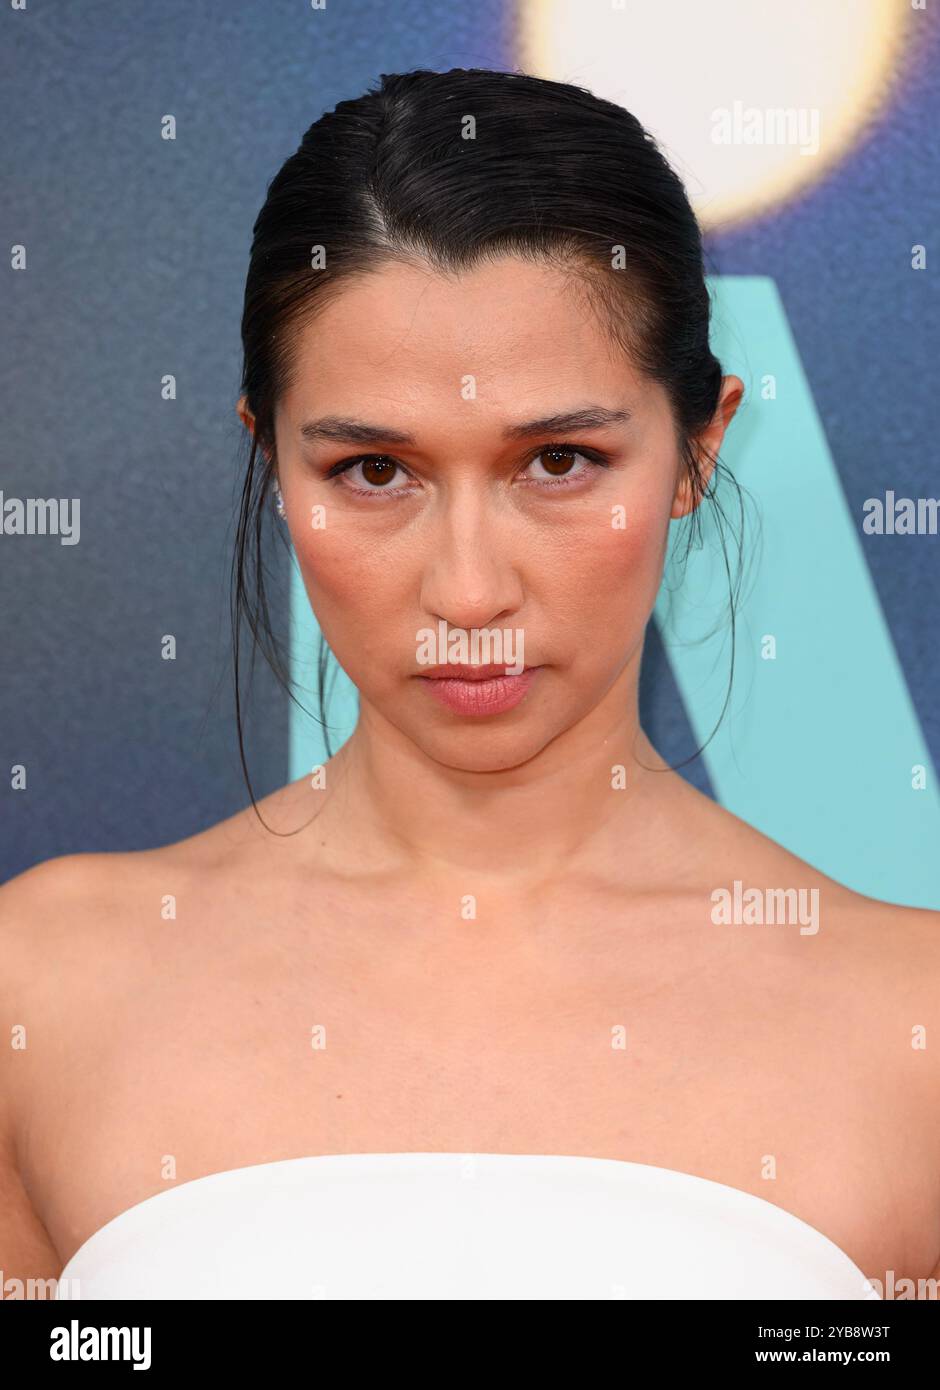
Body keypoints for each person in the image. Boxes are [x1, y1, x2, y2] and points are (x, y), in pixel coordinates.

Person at [2, 67, 938, 1301]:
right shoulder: (43, 985)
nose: (469, 592)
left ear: (697, 449)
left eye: (559, 459)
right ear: (271, 460)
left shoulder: (908, 1031)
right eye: (375, 472)